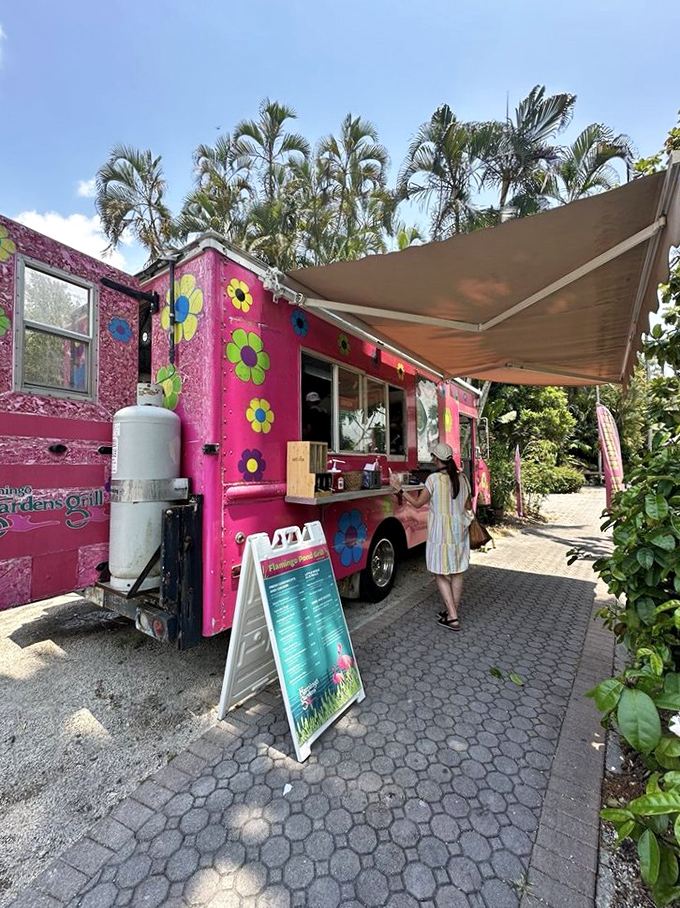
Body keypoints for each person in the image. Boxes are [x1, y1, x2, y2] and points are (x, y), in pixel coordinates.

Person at [390, 442, 472, 631]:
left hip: (440, 533)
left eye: (434, 457)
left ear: (437, 459)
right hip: (459, 530)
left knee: (439, 571)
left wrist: (399, 488)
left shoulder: (434, 480)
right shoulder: (463, 479)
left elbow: (418, 503)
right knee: (457, 571)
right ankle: (452, 612)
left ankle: (452, 617)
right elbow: (467, 506)